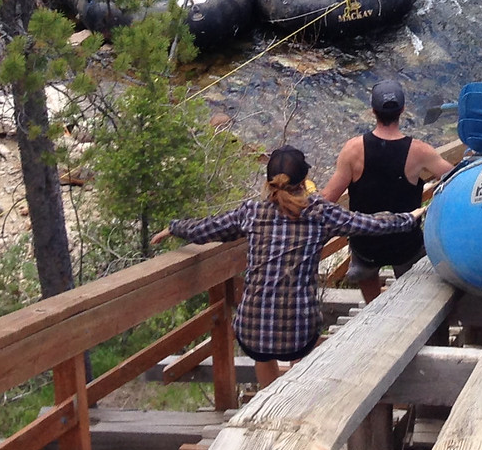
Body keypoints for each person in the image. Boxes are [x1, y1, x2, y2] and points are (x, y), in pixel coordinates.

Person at [151, 145, 420, 386]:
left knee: (262, 349)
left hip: (250, 329)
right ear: (304, 181)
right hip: (299, 331)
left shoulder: (252, 213)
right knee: (302, 340)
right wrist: (410, 217)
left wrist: (175, 227)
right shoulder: (319, 212)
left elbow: (207, 229)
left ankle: (268, 395)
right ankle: (296, 391)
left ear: (269, 183)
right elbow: (370, 225)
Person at [319, 79, 452, 303]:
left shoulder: (353, 149)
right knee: (412, 260)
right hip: (405, 244)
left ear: (372, 111)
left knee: (364, 262)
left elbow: (327, 200)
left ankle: (373, 306)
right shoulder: (420, 151)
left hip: (366, 244)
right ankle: (405, 300)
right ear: (402, 110)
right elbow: (453, 177)